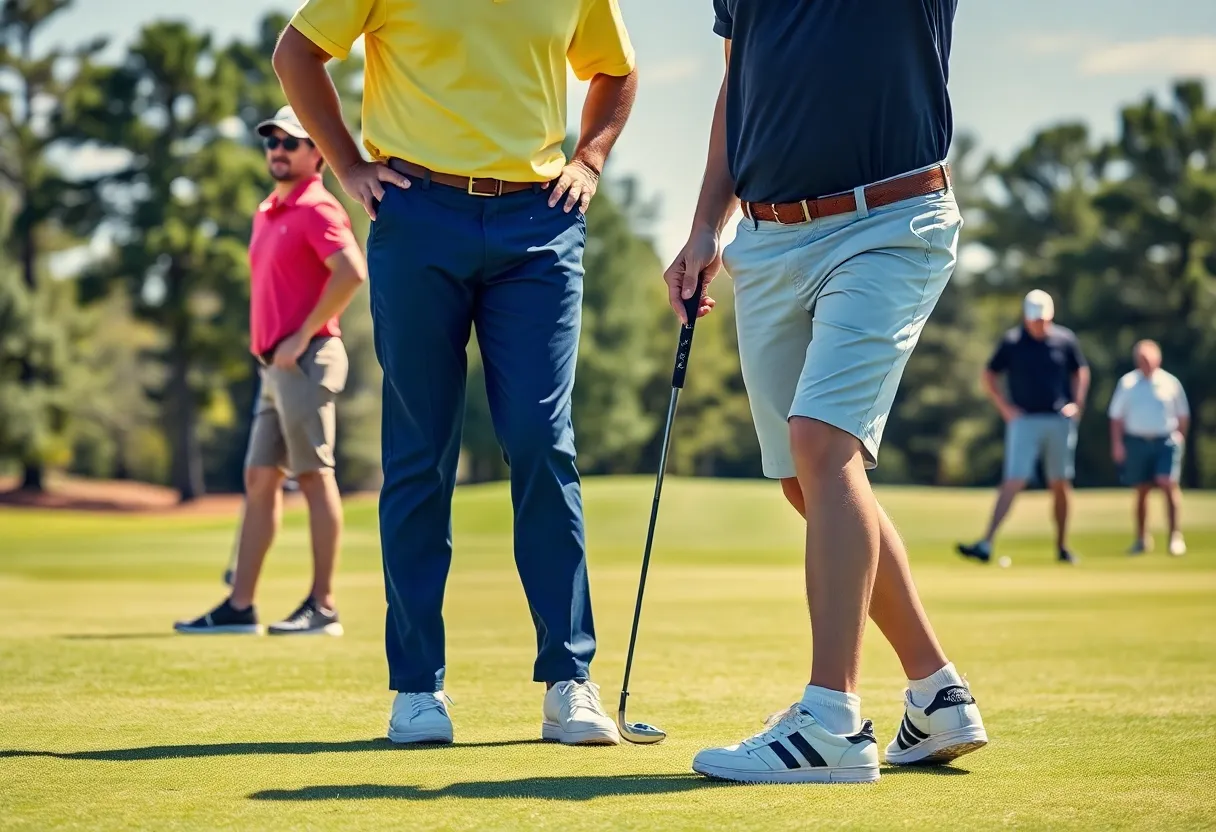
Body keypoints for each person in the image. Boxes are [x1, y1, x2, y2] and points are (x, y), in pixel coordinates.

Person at [271, 0, 638, 745]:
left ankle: (570, 681)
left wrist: (591, 158)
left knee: (541, 439)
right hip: (417, 213)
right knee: (419, 451)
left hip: (539, 223)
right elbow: (296, 54)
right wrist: (346, 163)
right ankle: (416, 688)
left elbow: (616, 72)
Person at [663, 0, 986, 784]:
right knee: (802, 477)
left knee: (821, 440)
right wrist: (708, 222)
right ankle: (936, 693)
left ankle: (831, 721)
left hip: (890, 221)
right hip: (767, 239)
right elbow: (739, 86)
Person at [174, 106, 365, 636]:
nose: (278, 149)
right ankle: (240, 606)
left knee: (312, 475)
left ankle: (323, 606)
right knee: (259, 478)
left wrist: (301, 336)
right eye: (272, 141)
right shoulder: (268, 211)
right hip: (274, 368)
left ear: (319, 153)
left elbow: (352, 272)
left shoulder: (318, 207)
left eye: (291, 141)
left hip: (307, 358)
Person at [958, 289, 1090, 565]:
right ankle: (986, 543)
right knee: (1014, 479)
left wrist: (1076, 404)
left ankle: (1062, 546)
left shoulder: (1065, 340)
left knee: (1060, 483)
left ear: (1050, 316)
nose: (1037, 324)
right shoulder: (1012, 341)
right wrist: (1005, 408)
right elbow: (988, 374)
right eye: (1033, 319)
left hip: (1058, 420)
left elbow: (1080, 371)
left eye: (1042, 319)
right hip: (1024, 420)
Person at [1109, 340, 1189, 557]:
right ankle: (1142, 538)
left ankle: (1175, 536)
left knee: (1167, 483)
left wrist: (1180, 438)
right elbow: (1116, 417)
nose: (1145, 364)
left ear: (1158, 359)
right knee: (1141, 489)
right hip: (1136, 441)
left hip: (1165, 439)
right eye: (1141, 360)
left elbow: (1182, 415)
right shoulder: (1127, 383)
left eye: (1148, 359)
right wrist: (1117, 444)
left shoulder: (1170, 382)